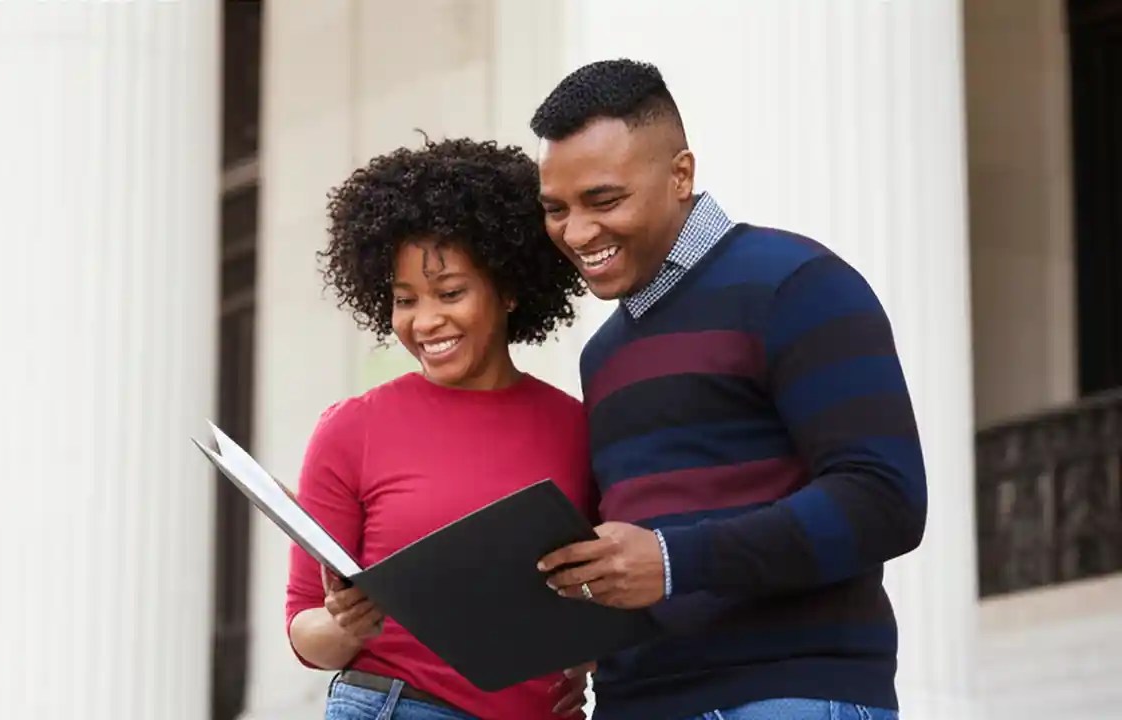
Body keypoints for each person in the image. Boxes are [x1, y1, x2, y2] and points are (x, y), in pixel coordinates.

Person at [530, 59, 926, 720]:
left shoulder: (797, 284)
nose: (576, 233)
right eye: (556, 209)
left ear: (680, 175)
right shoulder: (602, 356)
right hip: (635, 702)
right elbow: (646, 543)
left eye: (604, 200)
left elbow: (885, 499)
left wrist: (670, 558)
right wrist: (586, 629)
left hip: (784, 692)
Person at [285, 137, 595, 720]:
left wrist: (588, 657)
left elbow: (608, 589)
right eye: (405, 300)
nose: (425, 321)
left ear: (506, 289)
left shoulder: (577, 428)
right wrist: (346, 625)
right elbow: (305, 628)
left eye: (450, 292)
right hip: (398, 706)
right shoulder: (352, 430)